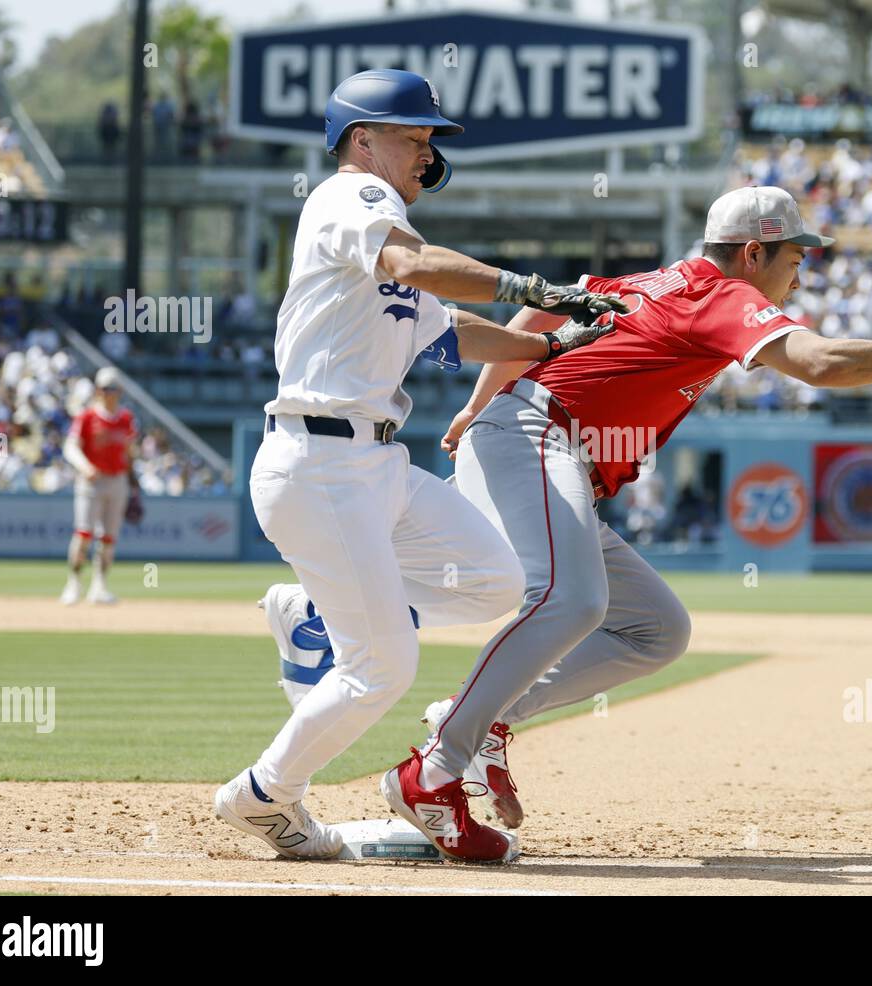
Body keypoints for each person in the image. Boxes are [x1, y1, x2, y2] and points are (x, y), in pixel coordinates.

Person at [384, 185, 872, 861]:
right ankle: (437, 765)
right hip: (536, 436)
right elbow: (822, 364)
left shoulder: (654, 280)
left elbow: (546, 309)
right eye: (796, 253)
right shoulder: (727, 295)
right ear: (752, 252)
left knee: (657, 630)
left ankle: (490, 716)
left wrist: (477, 404)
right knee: (573, 600)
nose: (802, 268)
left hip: (532, 438)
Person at [211, 69, 626, 862]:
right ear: (361, 139)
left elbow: (451, 331)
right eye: (412, 136)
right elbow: (416, 265)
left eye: (429, 139)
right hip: (320, 461)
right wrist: (535, 288)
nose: (425, 153)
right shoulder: (352, 198)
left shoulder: (387, 234)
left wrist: (549, 342)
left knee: (496, 580)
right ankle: (266, 796)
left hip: (374, 465)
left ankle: (311, 611)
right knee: (381, 670)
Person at [61, 366, 137, 605]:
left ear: (120, 391)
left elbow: (129, 452)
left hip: (117, 480)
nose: (109, 393)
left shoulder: (126, 418)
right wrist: (84, 467)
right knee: (84, 534)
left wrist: (133, 482)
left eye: (113, 389)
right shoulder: (87, 416)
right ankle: (73, 584)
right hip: (91, 481)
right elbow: (70, 447)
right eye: (105, 389)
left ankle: (99, 587)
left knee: (108, 538)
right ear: (97, 390)